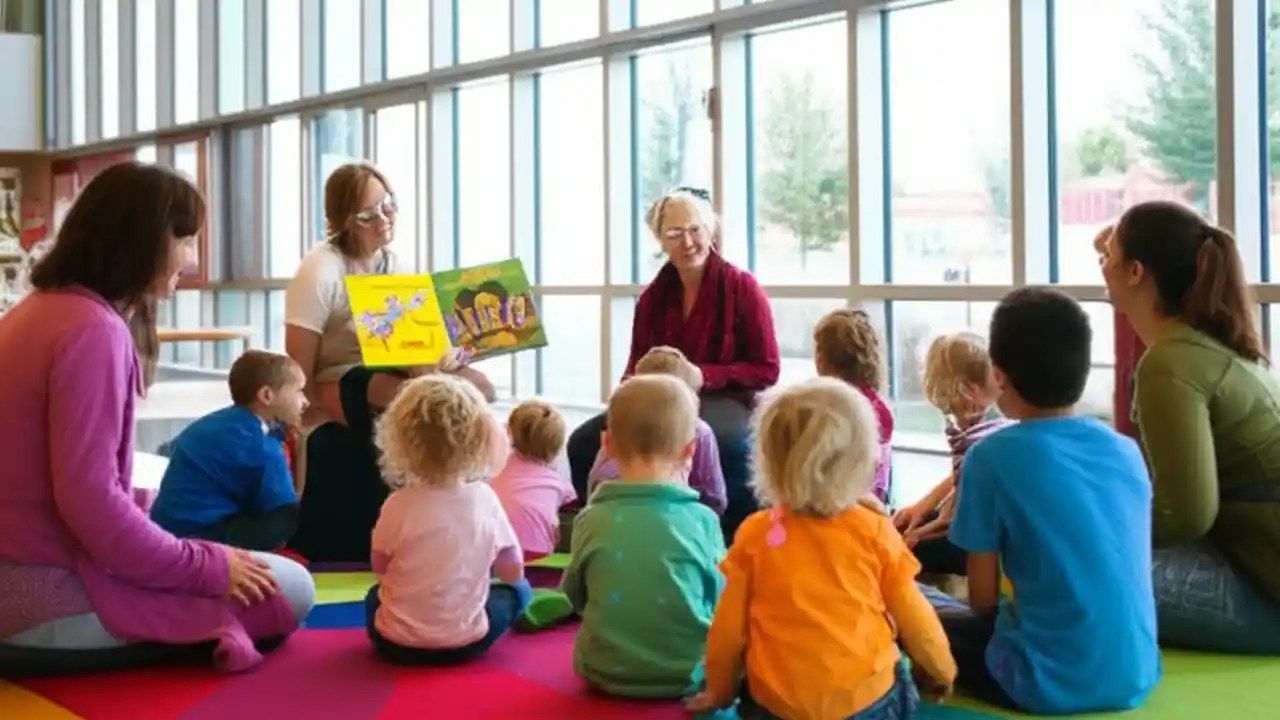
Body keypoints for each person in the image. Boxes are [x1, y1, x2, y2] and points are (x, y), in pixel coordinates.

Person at [0, 162, 315, 676]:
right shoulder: (90, 330)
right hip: (40, 594)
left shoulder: (40, 310)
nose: (191, 260)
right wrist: (207, 565)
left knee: (242, 565)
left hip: (25, 572)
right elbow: (90, 503)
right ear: (139, 237)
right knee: (290, 586)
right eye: (184, 239)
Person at [936, 287, 1160, 714]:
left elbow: (982, 600)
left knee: (909, 613)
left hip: (1039, 682)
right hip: (1135, 674)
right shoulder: (1125, 451)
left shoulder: (992, 457)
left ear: (998, 376)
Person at [687, 378, 956, 720]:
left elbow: (729, 631)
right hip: (865, 703)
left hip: (778, 706)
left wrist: (719, 691)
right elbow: (917, 620)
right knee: (895, 673)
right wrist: (940, 671)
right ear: (863, 459)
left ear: (767, 461)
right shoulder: (873, 531)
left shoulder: (755, 535)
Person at [284, 162, 493, 562]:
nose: (384, 220)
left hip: (394, 366)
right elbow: (298, 370)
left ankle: (456, 505)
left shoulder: (393, 264)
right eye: (368, 215)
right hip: (339, 378)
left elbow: (414, 336)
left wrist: (449, 355)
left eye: (388, 206)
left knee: (478, 386)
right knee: (401, 394)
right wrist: (308, 415)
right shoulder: (321, 271)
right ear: (343, 221)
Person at [1101, 200, 1280, 653]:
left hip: (1266, 590)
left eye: (1110, 255)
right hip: (1259, 562)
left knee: (1058, 566)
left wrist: (1095, 524)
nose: (1103, 263)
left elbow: (1186, 515)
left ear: (1136, 272)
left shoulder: (1169, 363)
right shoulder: (1214, 348)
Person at [566, 188, 780, 542]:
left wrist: (704, 375)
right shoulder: (653, 296)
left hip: (723, 396)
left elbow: (767, 369)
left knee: (721, 439)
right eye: (675, 233)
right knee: (583, 441)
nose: (688, 241)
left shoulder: (743, 287)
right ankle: (609, 532)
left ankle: (725, 540)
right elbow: (636, 364)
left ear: (711, 231)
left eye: (695, 229)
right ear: (660, 240)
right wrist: (621, 402)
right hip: (658, 395)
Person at [562, 375, 725, 698]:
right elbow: (719, 597)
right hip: (689, 672)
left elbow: (575, 593)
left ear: (606, 445)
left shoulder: (590, 518)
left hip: (602, 669)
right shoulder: (704, 520)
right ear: (690, 450)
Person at [364, 375, 533, 665]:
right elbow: (512, 571)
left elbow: (379, 567)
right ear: (483, 438)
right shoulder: (485, 498)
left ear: (399, 440)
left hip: (394, 643)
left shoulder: (397, 503)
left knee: (374, 596)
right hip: (467, 643)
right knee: (517, 593)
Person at [150, 350, 308, 551]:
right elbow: (282, 507)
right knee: (293, 516)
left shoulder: (217, 422)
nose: (305, 402)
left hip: (167, 531)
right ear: (267, 395)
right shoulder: (259, 442)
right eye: (299, 391)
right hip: (204, 534)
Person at [892, 332, 1013, 575]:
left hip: (989, 536)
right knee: (896, 527)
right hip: (968, 517)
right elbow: (961, 478)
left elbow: (957, 517)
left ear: (971, 389)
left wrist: (921, 532)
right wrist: (923, 506)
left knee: (900, 548)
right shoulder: (970, 431)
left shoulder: (987, 436)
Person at [586, 346, 727, 515]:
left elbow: (595, 486)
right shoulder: (699, 431)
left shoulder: (621, 424)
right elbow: (715, 499)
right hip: (680, 520)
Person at [812, 308, 895, 503]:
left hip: (840, 504)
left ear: (823, 359)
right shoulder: (878, 406)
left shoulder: (829, 408)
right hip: (873, 501)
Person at [489, 399, 577, 562]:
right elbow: (571, 508)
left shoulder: (495, 470)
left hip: (496, 555)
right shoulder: (558, 483)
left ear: (510, 433)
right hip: (538, 558)